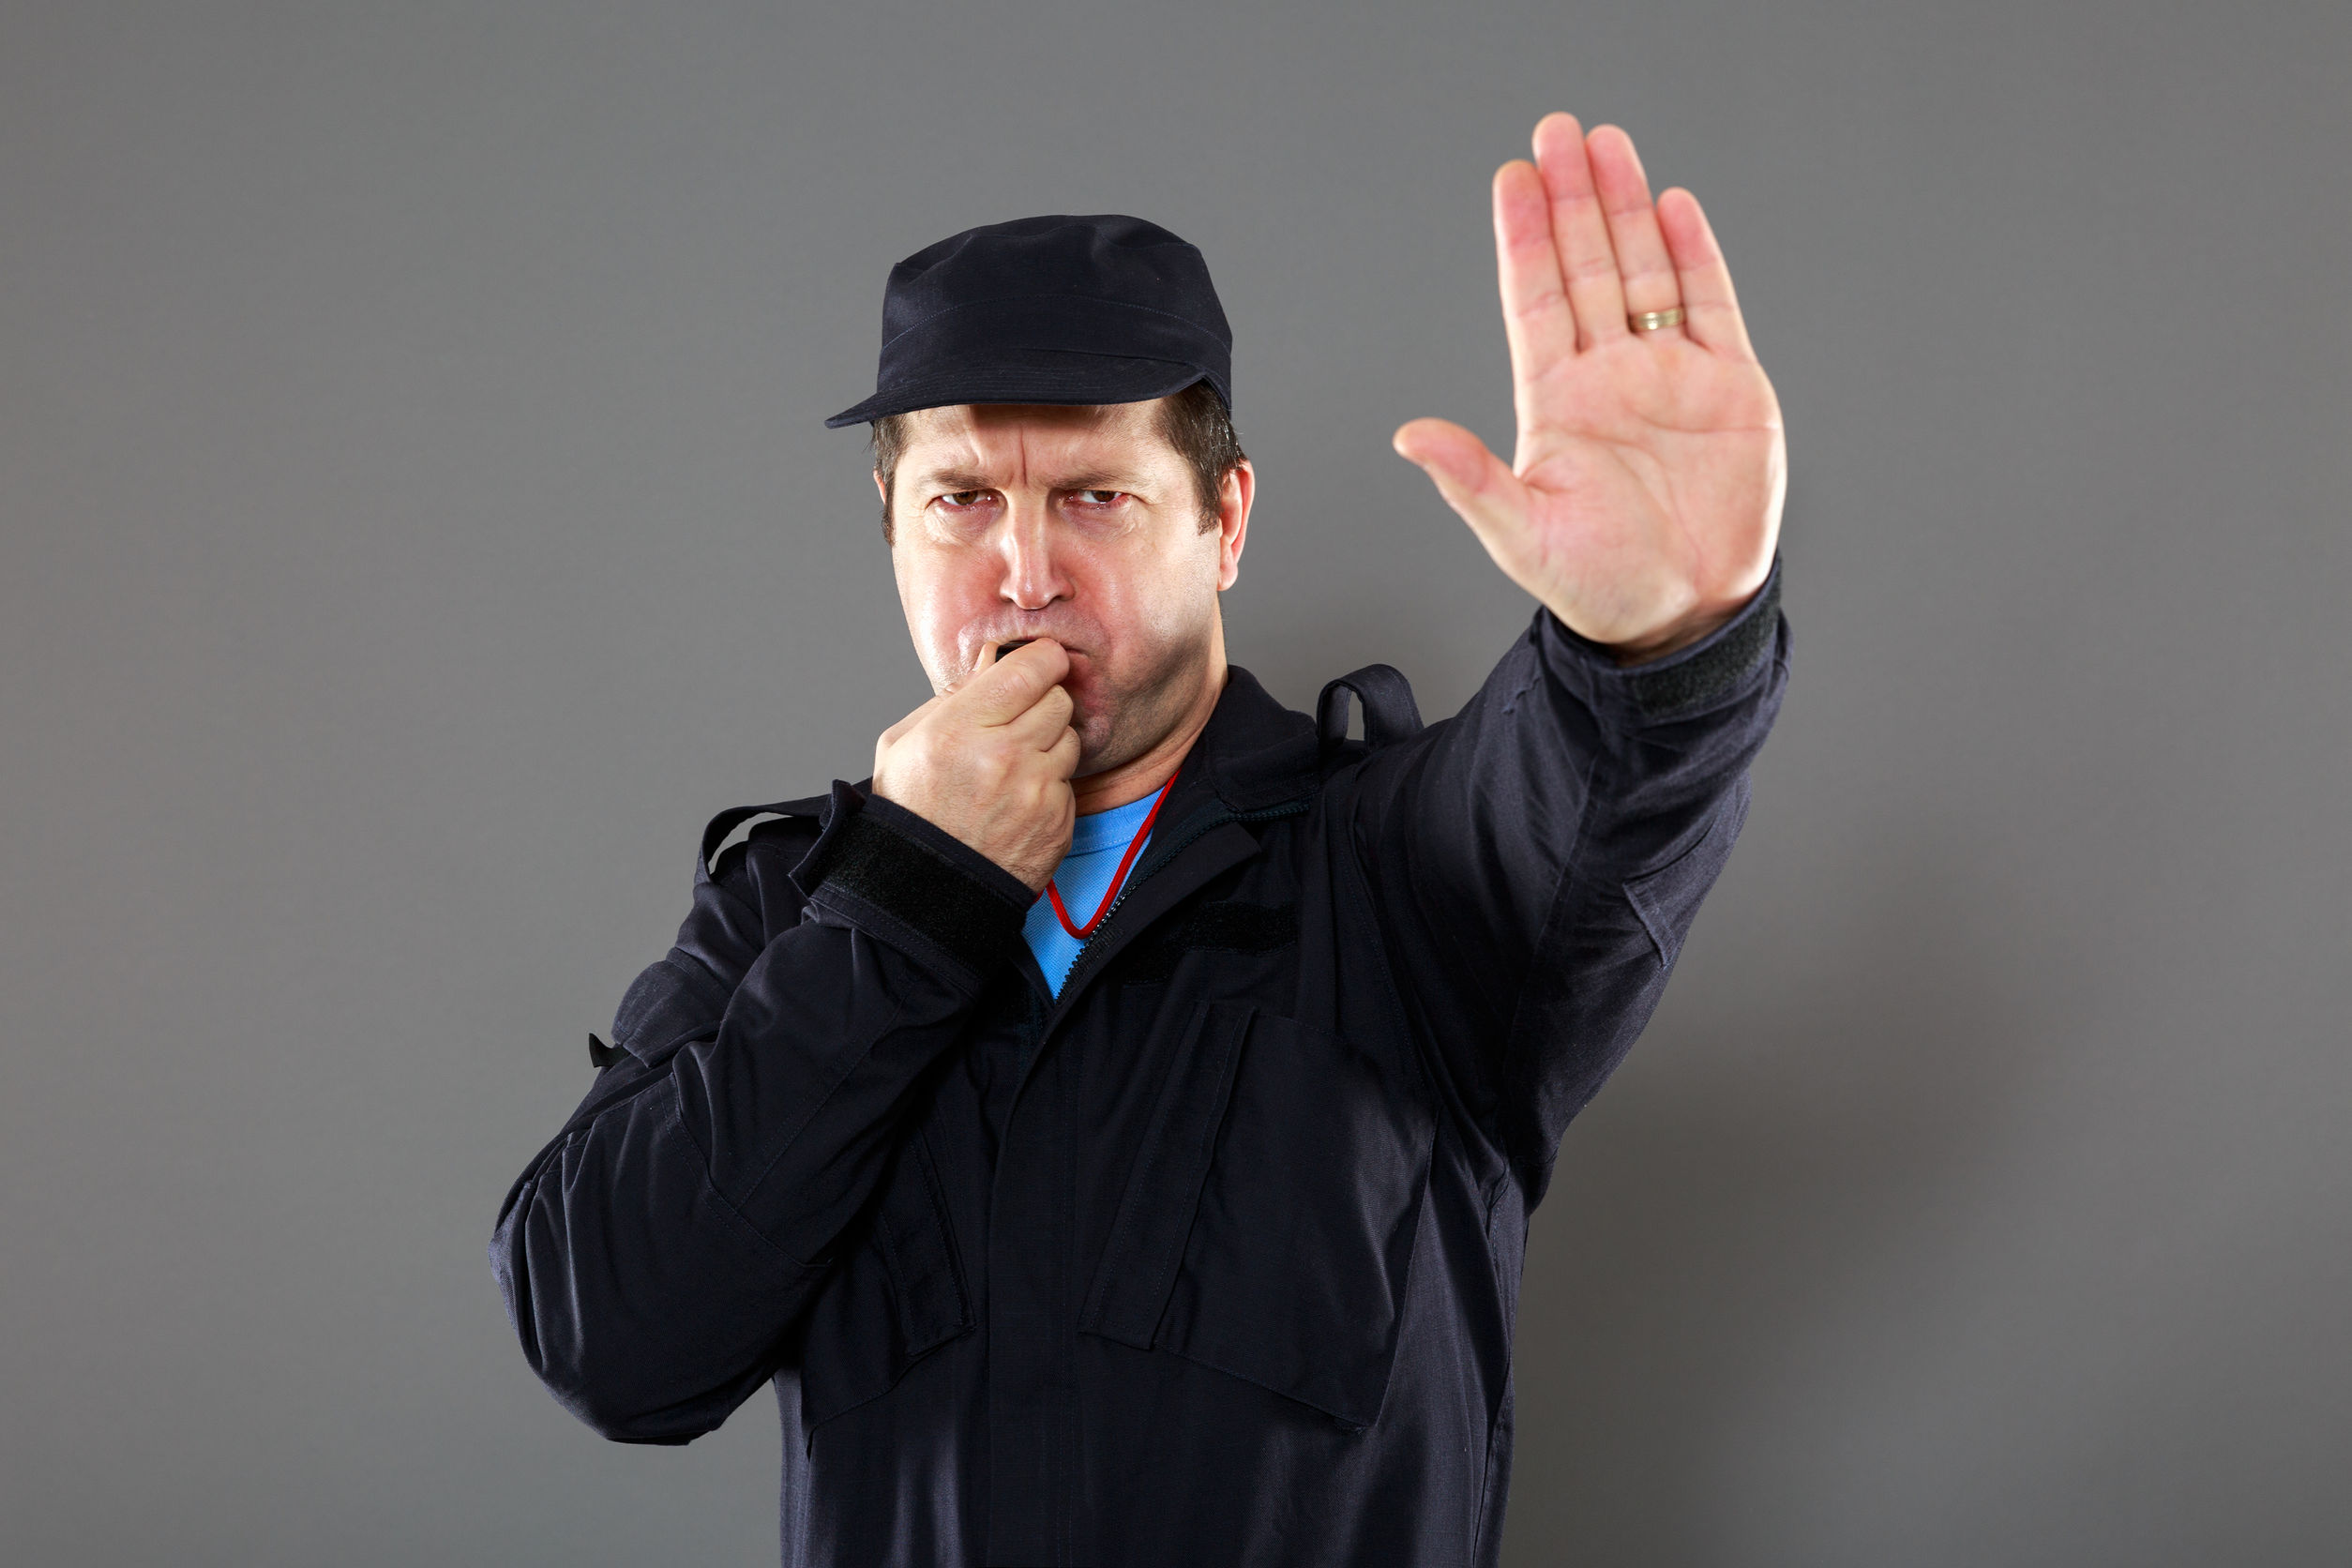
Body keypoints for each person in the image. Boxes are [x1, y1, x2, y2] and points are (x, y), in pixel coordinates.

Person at [491, 112, 1788, 1567]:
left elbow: (1596, 789)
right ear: (890, 523)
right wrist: (905, 900)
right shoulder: (790, 904)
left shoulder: (1399, 868)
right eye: (962, 500)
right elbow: (610, 1339)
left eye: (1096, 497)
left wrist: (1664, 639)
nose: (1024, 571)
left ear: (1225, 521)